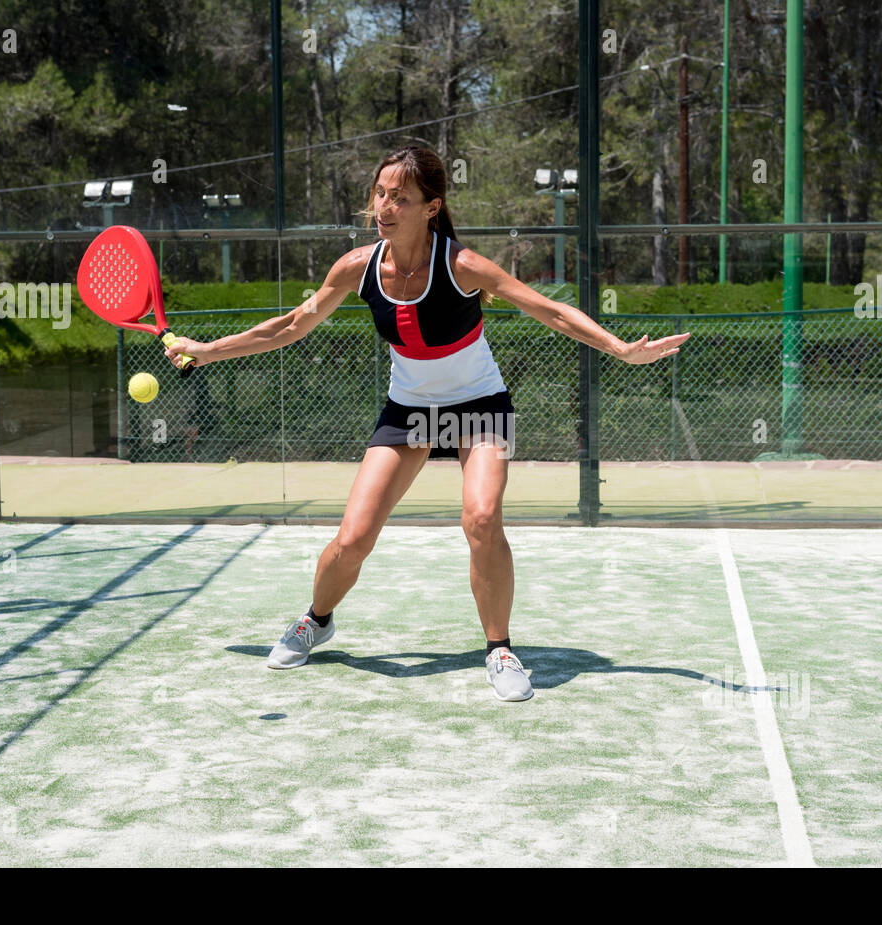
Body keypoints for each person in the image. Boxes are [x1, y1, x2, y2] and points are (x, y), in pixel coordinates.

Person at [165, 144, 688, 702]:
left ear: (431, 206)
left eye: (401, 197)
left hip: (478, 406)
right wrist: (208, 349)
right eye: (380, 194)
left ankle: (500, 649)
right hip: (409, 412)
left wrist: (618, 348)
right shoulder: (357, 267)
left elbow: (547, 308)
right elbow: (291, 325)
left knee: (482, 519)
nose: (385, 206)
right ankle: (316, 620)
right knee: (354, 538)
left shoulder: (462, 265)